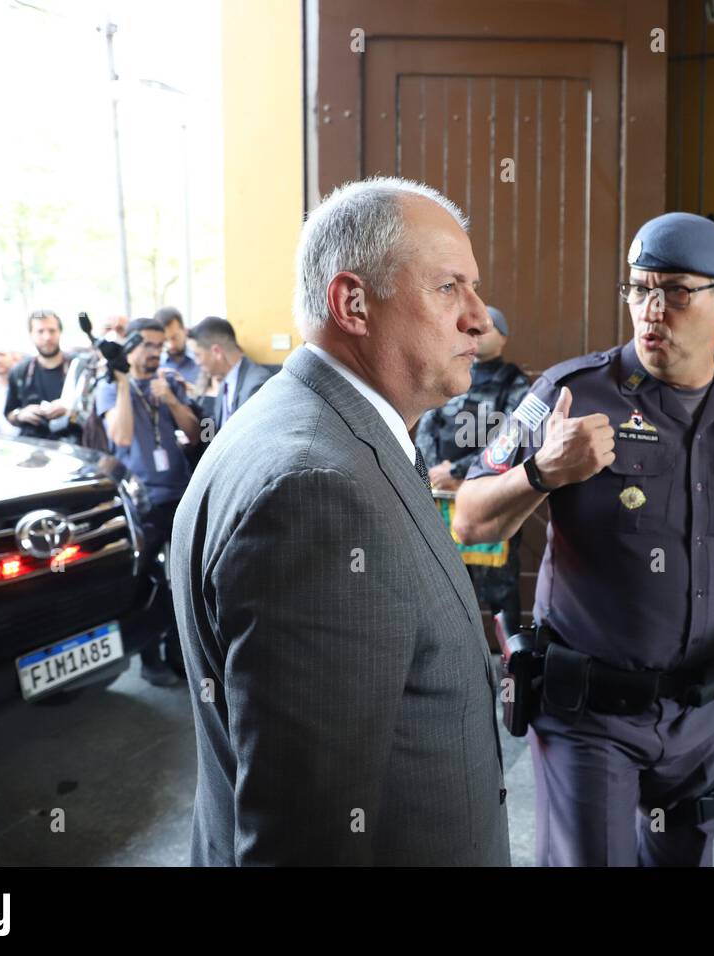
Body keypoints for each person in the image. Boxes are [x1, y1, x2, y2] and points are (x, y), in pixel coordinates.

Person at [454, 212, 714, 867]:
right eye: (639, 289)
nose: (651, 309)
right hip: (591, 717)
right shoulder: (570, 393)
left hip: (701, 717)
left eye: (675, 290)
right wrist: (542, 471)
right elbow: (469, 518)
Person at [171, 176, 509, 866]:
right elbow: (305, 839)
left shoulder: (324, 430)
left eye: (473, 289)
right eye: (449, 288)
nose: (479, 317)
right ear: (353, 302)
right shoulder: (319, 492)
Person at [96, 317, 200, 687]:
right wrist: (124, 384)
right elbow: (120, 437)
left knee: (184, 579)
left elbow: (194, 431)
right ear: (130, 346)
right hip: (140, 497)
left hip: (179, 491)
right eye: (148, 345)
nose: (156, 352)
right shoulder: (109, 386)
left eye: (160, 345)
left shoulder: (169, 380)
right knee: (147, 580)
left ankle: (179, 652)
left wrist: (170, 399)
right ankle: (149, 659)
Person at [416, 305, 531, 635]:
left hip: (489, 499)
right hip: (441, 501)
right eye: (471, 329)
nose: (477, 334)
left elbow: (513, 438)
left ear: (504, 338)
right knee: (445, 589)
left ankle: (512, 668)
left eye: (488, 328)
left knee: (500, 591)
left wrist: (459, 470)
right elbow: (428, 423)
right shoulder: (449, 373)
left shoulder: (514, 383)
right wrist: (432, 472)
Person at [187, 316, 273, 433]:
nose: (197, 362)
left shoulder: (256, 385)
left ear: (216, 352)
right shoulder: (225, 382)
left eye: (197, 355)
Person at [4, 310, 80, 441]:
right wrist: (20, 414)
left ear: (60, 332)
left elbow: (93, 413)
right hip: (33, 444)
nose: (47, 337)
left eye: (52, 331)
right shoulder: (20, 371)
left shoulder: (78, 367)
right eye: (40, 331)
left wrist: (70, 411)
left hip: (73, 442)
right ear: (31, 335)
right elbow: (9, 414)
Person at [155, 306, 204, 387]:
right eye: (165, 340)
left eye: (174, 337)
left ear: (185, 331)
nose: (171, 345)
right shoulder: (156, 366)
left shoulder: (202, 362)